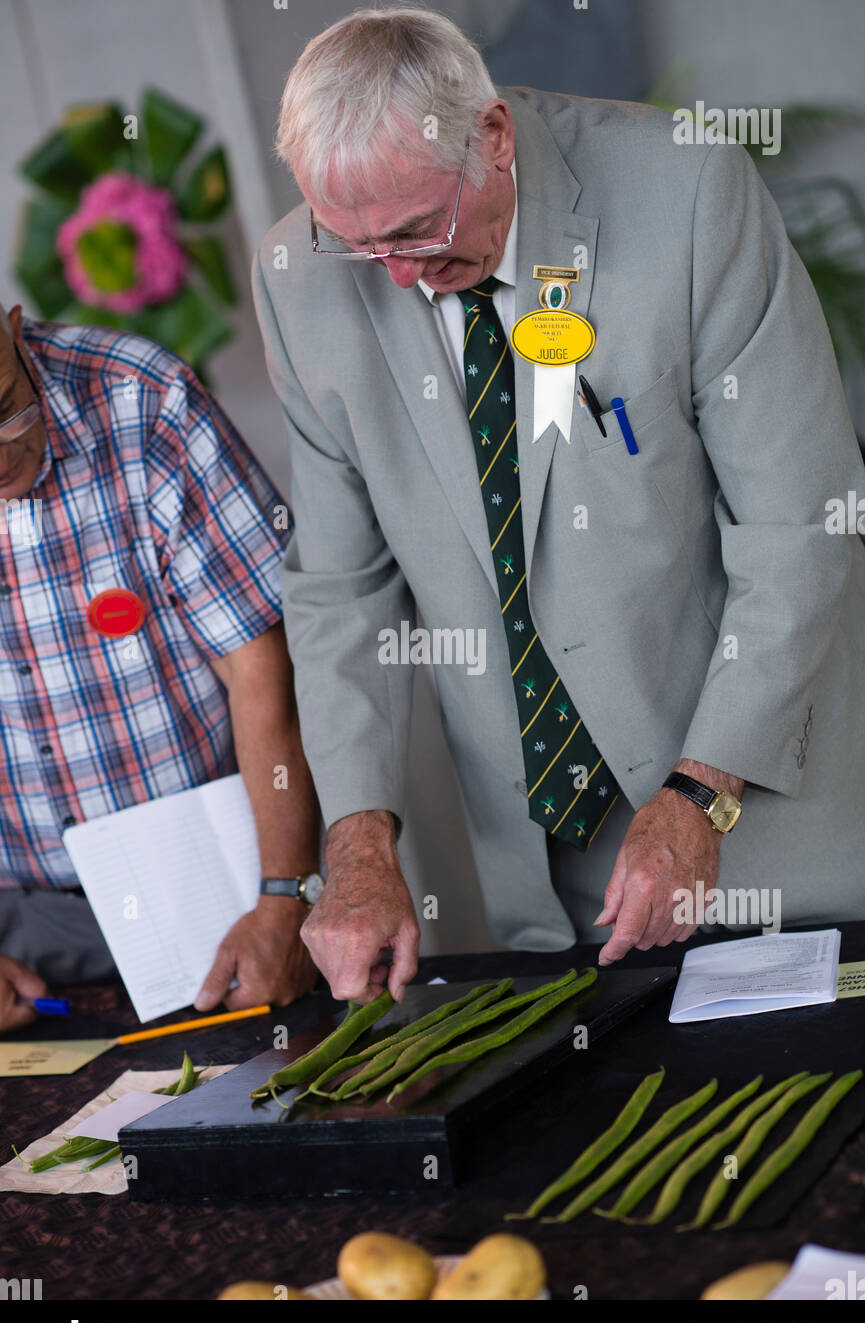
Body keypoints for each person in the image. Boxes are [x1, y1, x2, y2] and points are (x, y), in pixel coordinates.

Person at [252, 8, 865, 1005]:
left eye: (417, 230)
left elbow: (801, 525)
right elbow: (338, 593)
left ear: (490, 137)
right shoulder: (300, 281)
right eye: (355, 244)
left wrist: (698, 795)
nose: (399, 275)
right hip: (547, 866)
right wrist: (357, 839)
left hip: (759, 817)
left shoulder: (687, 190)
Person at [0, 301, 321, 1034]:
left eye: (6, 412)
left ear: (18, 334)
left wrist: (284, 895)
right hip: (17, 931)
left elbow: (261, 665)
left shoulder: (143, 399)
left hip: (216, 900)